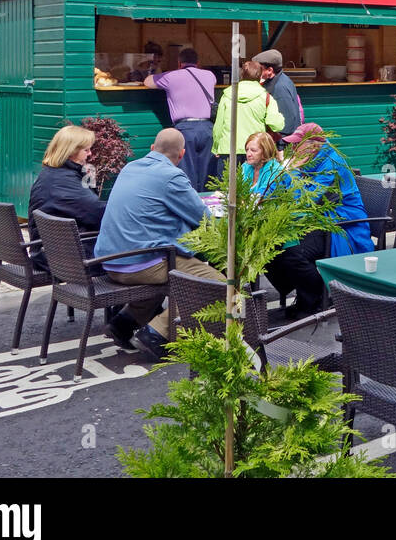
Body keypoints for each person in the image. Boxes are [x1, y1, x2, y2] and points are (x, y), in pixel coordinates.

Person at [95, 129, 226, 360]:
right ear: (182, 154)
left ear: (152, 149)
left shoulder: (130, 168)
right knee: (217, 285)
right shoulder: (172, 177)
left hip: (109, 261)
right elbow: (203, 217)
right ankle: (156, 333)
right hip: (141, 264)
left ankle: (122, 324)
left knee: (168, 266)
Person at [263, 123, 371, 317]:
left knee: (292, 251)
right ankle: (304, 292)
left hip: (341, 224)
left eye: (298, 144)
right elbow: (279, 193)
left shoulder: (331, 163)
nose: (293, 148)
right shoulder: (310, 159)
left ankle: (318, 296)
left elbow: (305, 200)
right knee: (269, 246)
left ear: (314, 145)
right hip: (315, 220)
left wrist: (293, 169)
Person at [27, 125, 108, 265]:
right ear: (71, 152)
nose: (90, 154)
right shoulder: (65, 183)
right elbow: (100, 214)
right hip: (65, 259)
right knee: (133, 259)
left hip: (47, 250)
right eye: (86, 150)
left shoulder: (50, 173)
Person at [144, 47, 216, 191]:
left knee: (186, 171)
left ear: (179, 63)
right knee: (207, 173)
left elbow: (147, 82)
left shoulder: (171, 77)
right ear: (198, 62)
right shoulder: (210, 75)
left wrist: (156, 68)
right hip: (208, 128)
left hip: (185, 129)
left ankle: (188, 204)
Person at [212, 59, 285, 179]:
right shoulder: (265, 97)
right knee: (252, 192)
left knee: (226, 193)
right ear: (260, 76)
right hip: (255, 150)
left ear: (241, 75)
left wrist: (216, 147)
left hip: (228, 149)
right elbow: (276, 125)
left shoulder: (227, 95)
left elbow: (218, 125)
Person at [252, 49, 301, 139]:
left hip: (282, 144)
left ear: (270, 70)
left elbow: (286, 125)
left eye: (259, 69)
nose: (256, 72)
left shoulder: (280, 88)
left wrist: (280, 147)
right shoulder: (278, 81)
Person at [241, 131, 285, 196]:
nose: (248, 154)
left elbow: (265, 194)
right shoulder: (245, 167)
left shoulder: (275, 170)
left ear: (265, 152)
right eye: (247, 150)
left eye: (253, 150)